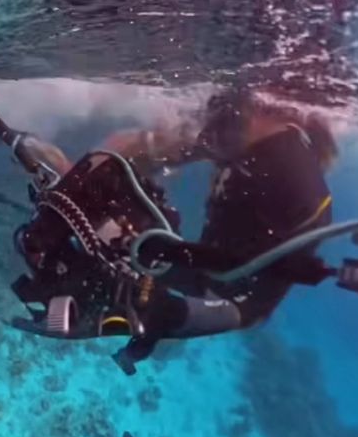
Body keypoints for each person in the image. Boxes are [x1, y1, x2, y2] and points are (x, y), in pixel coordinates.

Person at [97, 84, 338, 362]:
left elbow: (241, 281)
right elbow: (167, 149)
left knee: (134, 273)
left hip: (230, 296)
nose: (211, 130)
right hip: (208, 275)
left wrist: (158, 266)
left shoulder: (287, 174)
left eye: (225, 114)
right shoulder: (254, 142)